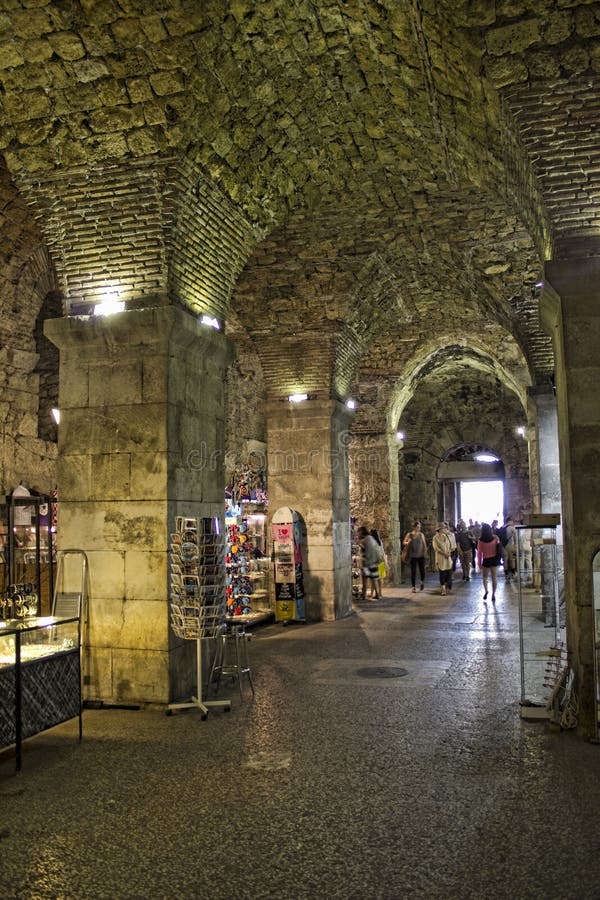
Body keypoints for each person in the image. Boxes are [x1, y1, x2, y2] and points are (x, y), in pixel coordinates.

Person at [477, 522, 501, 603]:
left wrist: (479, 564)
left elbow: (479, 553)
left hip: (486, 560)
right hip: (494, 559)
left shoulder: (480, 540)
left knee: (485, 577)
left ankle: (486, 590)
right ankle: (493, 594)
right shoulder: (496, 538)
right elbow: (499, 548)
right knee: (494, 577)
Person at [402, 521, 427, 593]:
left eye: (419, 527)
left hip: (421, 555)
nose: (419, 528)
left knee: (422, 570)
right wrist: (408, 542)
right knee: (413, 572)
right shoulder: (409, 535)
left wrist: (425, 552)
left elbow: (424, 544)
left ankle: (422, 582)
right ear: (414, 527)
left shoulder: (421, 535)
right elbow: (404, 542)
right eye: (417, 527)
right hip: (412, 556)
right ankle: (413, 587)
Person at [358, 525, 382, 601]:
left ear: (362, 532)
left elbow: (362, 552)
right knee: (374, 579)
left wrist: (361, 563)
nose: (357, 534)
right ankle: (377, 594)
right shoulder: (371, 538)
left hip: (367, 563)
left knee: (364, 580)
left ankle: (364, 595)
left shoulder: (364, 541)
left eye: (358, 532)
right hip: (374, 562)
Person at [432, 522, 453, 596]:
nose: (445, 529)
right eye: (444, 528)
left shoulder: (447, 536)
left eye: (445, 528)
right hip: (441, 557)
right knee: (442, 574)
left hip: (448, 557)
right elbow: (436, 548)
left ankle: (448, 586)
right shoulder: (435, 537)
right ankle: (443, 589)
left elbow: (450, 546)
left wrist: (449, 552)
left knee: (449, 573)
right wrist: (444, 553)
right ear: (440, 529)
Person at [370, 528, 386, 599]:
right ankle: (380, 593)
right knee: (380, 579)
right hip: (381, 561)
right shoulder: (380, 542)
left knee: (374, 579)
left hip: (375, 562)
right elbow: (382, 552)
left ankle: (373, 593)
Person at [502, 516, 517, 583]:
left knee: (505, 560)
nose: (512, 522)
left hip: (503, 546)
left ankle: (506, 575)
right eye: (512, 521)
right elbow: (515, 537)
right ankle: (513, 574)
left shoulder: (502, 528)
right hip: (510, 545)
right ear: (509, 521)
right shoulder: (512, 528)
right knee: (512, 560)